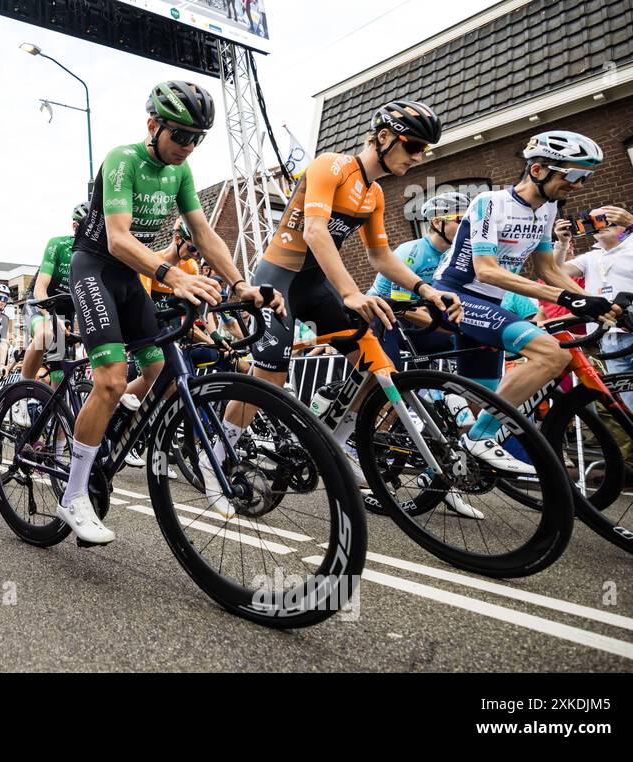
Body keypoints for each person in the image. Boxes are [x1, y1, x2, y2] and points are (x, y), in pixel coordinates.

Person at [61, 80, 279, 544]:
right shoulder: (123, 160)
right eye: (180, 135)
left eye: (197, 138)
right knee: (112, 378)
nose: (188, 146)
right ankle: (73, 493)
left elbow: (203, 233)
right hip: (96, 267)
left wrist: (240, 283)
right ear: (153, 125)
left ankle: (111, 430)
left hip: (130, 277)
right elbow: (118, 239)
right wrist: (172, 274)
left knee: (158, 370)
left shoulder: (180, 174)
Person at [221, 99, 460, 486]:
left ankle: (337, 444)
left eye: (424, 150)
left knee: (373, 362)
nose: (419, 157)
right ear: (384, 137)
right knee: (270, 379)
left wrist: (426, 289)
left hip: (315, 286)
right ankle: (217, 456)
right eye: (414, 146)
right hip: (279, 278)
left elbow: (380, 255)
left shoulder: (375, 194)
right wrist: (351, 293)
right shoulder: (331, 166)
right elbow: (315, 231)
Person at [431, 130, 621, 465]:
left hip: (490, 305)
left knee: (487, 399)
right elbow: (487, 271)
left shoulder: (547, 211)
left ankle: (444, 475)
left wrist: (600, 305)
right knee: (552, 356)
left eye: (585, 178)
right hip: (455, 296)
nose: (579, 185)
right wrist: (566, 299)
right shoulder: (490, 203)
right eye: (573, 175)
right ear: (537, 170)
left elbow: (548, 269)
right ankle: (479, 439)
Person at [558, 204, 633, 448]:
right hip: (611, 340)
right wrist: (561, 244)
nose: (598, 226)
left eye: (605, 220)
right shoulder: (592, 256)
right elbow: (557, 271)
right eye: (592, 222)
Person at [367, 191, 471, 368]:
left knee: (465, 343)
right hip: (382, 315)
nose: (468, 228)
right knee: (391, 372)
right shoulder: (412, 254)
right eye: (461, 220)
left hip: (412, 314)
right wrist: (450, 328)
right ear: (437, 222)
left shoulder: (453, 254)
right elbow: (403, 309)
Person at [17, 202, 87, 407]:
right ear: (75, 227)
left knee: (61, 385)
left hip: (65, 313)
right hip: (41, 304)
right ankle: (21, 396)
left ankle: (56, 437)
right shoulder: (58, 245)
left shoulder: (94, 256)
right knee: (45, 335)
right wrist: (52, 318)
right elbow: (40, 288)